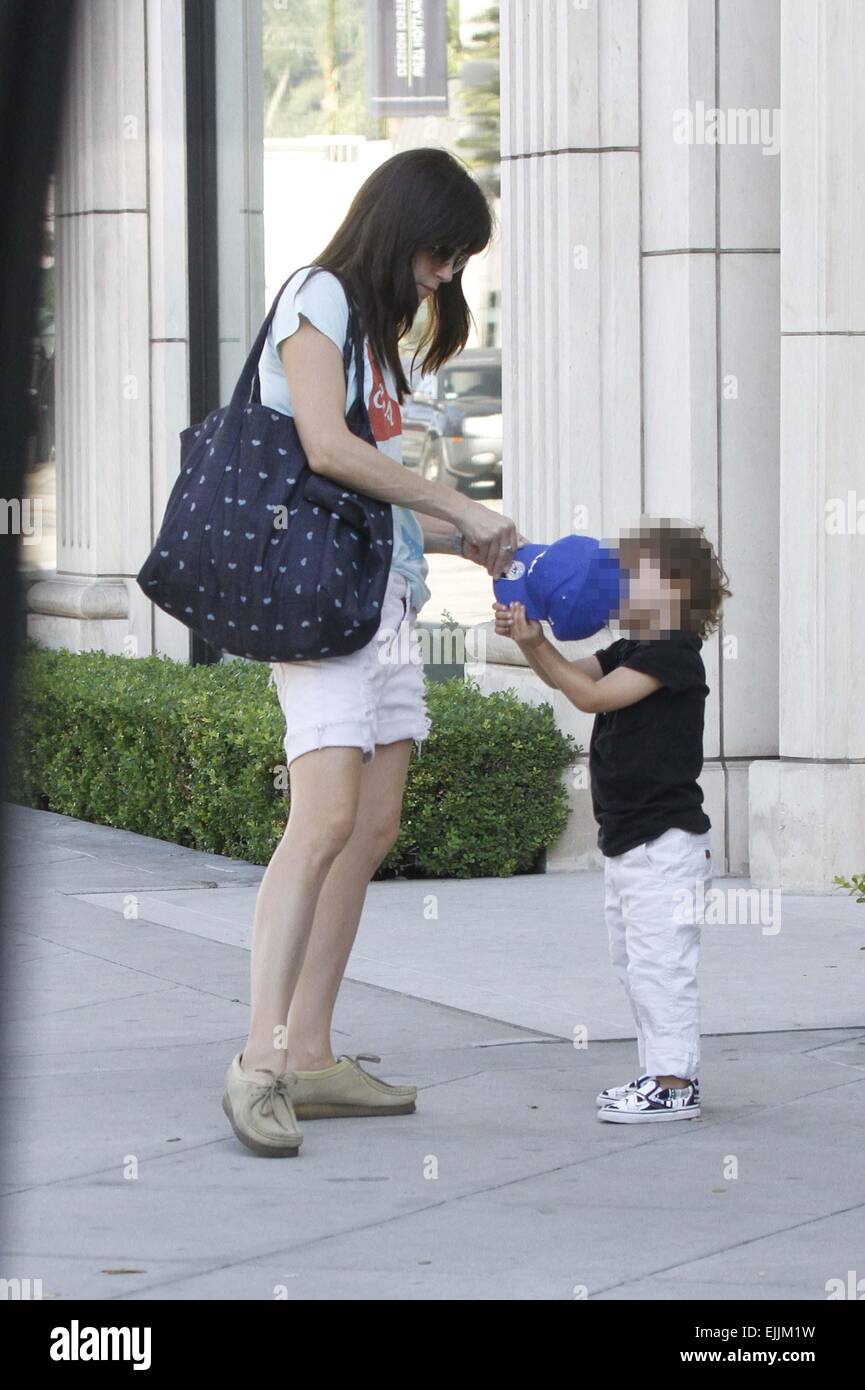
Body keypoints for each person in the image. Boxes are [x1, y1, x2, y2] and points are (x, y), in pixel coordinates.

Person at [222, 148, 523, 1157]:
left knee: (373, 823)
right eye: (441, 253)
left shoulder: (382, 345)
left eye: (455, 262)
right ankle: (258, 1058)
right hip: (315, 603)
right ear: (401, 229)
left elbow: (371, 502)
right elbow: (321, 448)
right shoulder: (319, 298)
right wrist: (454, 499)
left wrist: (463, 537)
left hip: (379, 595)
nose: (443, 276)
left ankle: (311, 1052)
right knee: (324, 819)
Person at [494, 519, 731, 1124]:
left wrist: (539, 645)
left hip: (666, 842)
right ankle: (661, 1073)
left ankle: (674, 1083)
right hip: (630, 842)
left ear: (676, 591)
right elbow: (571, 676)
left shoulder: (674, 655)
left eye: (635, 572)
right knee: (634, 963)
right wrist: (529, 638)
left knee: (661, 965)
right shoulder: (628, 649)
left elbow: (592, 698)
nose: (618, 582)